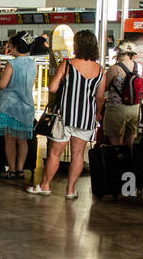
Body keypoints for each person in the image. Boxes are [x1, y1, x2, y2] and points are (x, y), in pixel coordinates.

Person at [27, 29, 105, 198]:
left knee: (55, 152)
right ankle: (70, 190)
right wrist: (98, 114)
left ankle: (45, 185)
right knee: (78, 154)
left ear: (77, 45)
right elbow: (100, 97)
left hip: (65, 116)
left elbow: (53, 87)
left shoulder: (68, 64)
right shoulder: (100, 69)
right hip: (86, 118)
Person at [0, 32, 36, 180]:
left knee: (10, 139)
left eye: (10, 46)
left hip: (10, 107)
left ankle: (12, 170)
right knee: (23, 140)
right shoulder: (33, 63)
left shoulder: (11, 63)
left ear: (16, 47)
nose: (9, 48)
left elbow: (2, 84)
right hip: (27, 107)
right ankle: (20, 170)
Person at [100, 40, 143, 148]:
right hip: (135, 109)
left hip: (116, 109)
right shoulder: (139, 68)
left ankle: (118, 163)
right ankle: (129, 163)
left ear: (120, 53)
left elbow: (103, 88)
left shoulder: (115, 69)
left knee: (116, 143)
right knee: (131, 142)